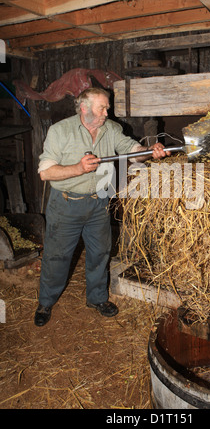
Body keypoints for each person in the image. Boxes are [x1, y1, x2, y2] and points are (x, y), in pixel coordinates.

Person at [34, 87, 170, 326]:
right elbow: (45, 172)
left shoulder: (111, 129)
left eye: (107, 107)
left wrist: (150, 150)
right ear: (84, 108)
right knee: (57, 256)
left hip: (99, 202)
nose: (107, 112)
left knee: (100, 253)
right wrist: (79, 168)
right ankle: (46, 301)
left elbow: (133, 151)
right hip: (66, 203)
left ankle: (96, 298)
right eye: (102, 108)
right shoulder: (60, 131)